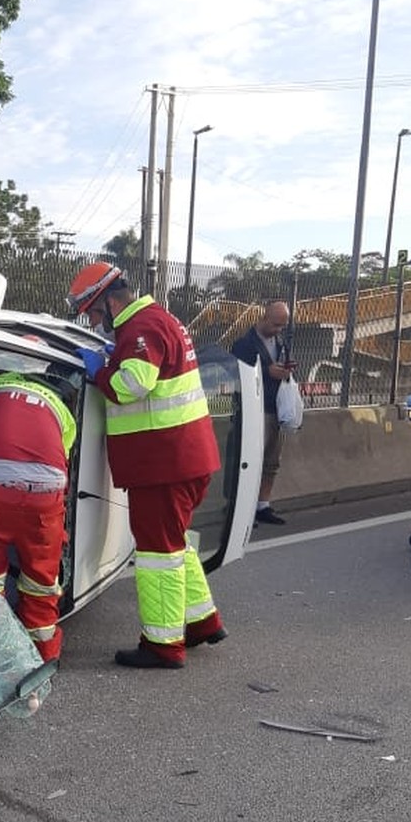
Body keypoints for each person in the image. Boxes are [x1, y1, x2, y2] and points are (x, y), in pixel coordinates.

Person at [67, 261, 225, 670]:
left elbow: (131, 386)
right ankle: (202, 621)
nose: (95, 321)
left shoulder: (141, 328)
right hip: (182, 458)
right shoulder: (158, 320)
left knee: (158, 554)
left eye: (94, 312)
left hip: (163, 464)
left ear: (107, 299)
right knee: (175, 545)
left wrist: (101, 372)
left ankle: (162, 645)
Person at [0, 367, 77, 662]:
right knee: (41, 578)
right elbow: (64, 458)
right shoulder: (60, 406)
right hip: (46, 488)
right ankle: (41, 656)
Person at [231, 300, 294, 526]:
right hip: (254, 409)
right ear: (264, 317)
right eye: (276, 324)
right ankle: (241, 510)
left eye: (282, 326)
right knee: (250, 462)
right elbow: (237, 375)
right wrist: (267, 372)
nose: (278, 330)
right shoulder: (244, 344)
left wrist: (286, 370)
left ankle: (262, 505)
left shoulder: (281, 342)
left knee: (271, 461)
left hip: (277, 406)